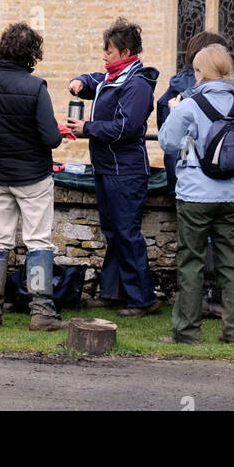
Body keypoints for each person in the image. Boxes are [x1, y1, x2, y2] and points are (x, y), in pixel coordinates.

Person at [0, 21, 64, 331]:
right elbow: (51, 138)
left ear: (1, 48)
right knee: (38, 241)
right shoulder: (35, 87)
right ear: (32, 54)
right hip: (33, 176)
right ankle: (41, 310)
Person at [158, 43, 234, 344]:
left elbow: (168, 142)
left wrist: (175, 114)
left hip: (195, 196)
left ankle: (187, 332)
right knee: (231, 263)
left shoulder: (189, 105)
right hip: (231, 195)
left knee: (191, 263)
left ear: (199, 73)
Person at [67, 17, 160, 317]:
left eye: (109, 50)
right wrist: (81, 82)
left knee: (127, 232)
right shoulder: (114, 76)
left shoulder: (137, 84)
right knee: (113, 231)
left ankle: (143, 298)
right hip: (107, 168)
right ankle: (113, 292)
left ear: (125, 51)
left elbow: (126, 128)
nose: (103, 55)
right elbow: (96, 80)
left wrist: (87, 128)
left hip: (126, 172)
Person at [156, 30, 230, 318]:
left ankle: (199, 299)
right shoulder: (204, 88)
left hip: (184, 174)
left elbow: (166, 134)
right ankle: (211, 297)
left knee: (194, 241)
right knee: (213, 239)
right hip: (208, 174)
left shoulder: (174, 87)